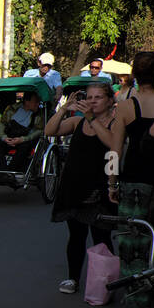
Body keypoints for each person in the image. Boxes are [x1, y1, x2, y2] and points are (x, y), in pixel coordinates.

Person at [45, 80, 121, 294]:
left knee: (101, 237)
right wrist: (63, 109)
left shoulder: (114, 123)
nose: (92, 101)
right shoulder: (78, 123)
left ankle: (103, 282)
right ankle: (73, 278)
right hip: (74, 187)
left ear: (109, 101)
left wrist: (91, 118)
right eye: (89, 97)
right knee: (76, 236)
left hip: (99, 190)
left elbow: (112, 145)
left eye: (98, 97)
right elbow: (49, 130)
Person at [115, 52, 154, 308]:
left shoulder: (125, 106)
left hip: (133, 179)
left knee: (133, 246)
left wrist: (110, 181)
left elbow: (114, 150)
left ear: (134, 74)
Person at [0, 90, 44, 172]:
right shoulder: (12, 109)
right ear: (27, 101)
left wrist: (23, 139)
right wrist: (4, 137)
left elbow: (39, 130)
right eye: (35, 102)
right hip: (9, 137)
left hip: (25, 140)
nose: (38, 104)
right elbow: (2, 123)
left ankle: (11, 170)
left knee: (26, 147)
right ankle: (2, 171)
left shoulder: (39, 114)